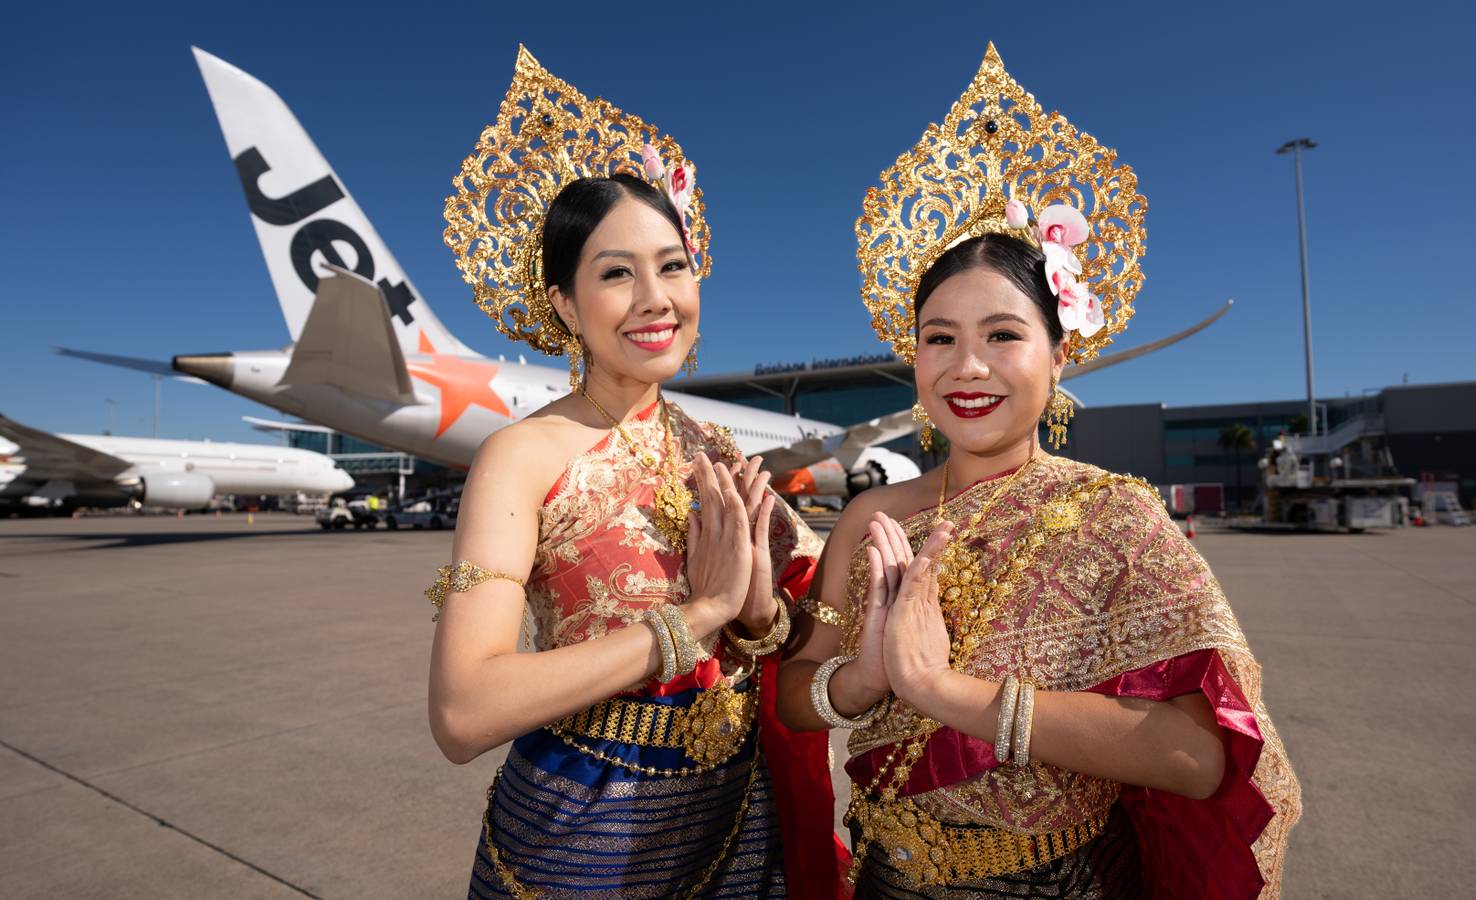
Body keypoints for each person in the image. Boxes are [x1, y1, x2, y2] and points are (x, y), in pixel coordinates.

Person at [779, 45, 1300, 898]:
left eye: (1003, 336)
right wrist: (864, 680)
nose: (968, 367)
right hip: (880, 878)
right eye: (939, 339)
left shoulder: (1116, 516)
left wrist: (944, 691)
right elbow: (797, 697)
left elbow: (1199, 757)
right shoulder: (872, 518)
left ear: (1060, 357)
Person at [429, 47, 837, 898]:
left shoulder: (717, 450)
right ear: (567, 306)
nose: (656, 297)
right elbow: (464, 712)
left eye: (673, 265)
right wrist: (700, 615)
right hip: (582, 837)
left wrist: (759, 613)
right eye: (617, 273)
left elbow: (794, 637)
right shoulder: (521, 457)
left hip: (738, 822)